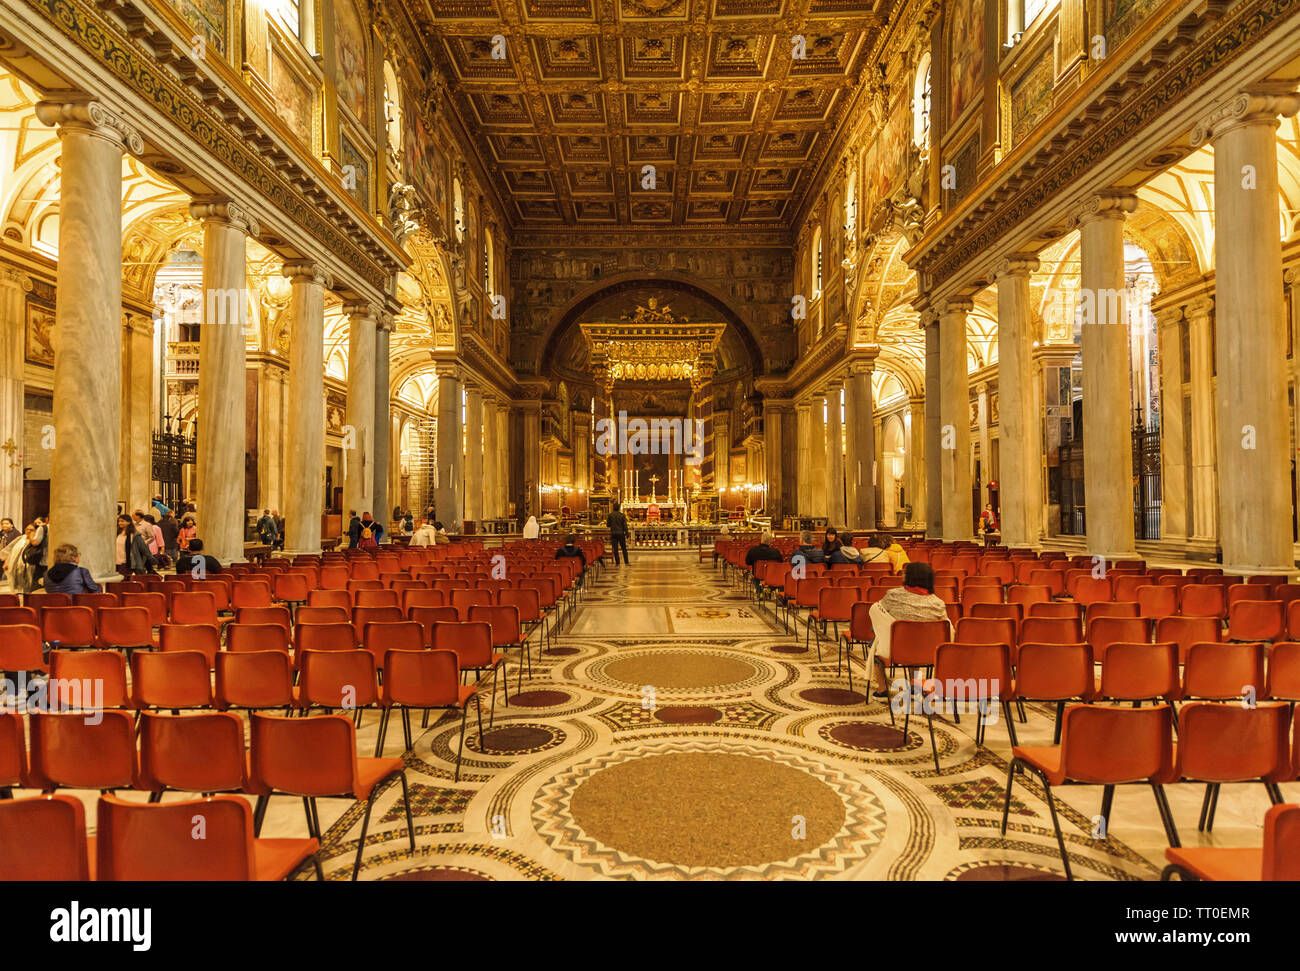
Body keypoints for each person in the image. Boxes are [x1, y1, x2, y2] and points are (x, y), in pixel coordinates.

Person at [867, 562, 952, 698]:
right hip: (927, 651)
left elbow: (878, 615)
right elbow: (946, 627)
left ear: (910, 577)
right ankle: (914, 685)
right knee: (917, 639)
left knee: (876, 642)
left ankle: (882, 689)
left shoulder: (893, 596)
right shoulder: (938, 603)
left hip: (896, 649)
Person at [5, 524, 35, 593]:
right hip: (15, 565)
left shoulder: (35, 540)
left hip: (29, 566)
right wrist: (7, 561)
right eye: (27, 529)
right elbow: (10, 549)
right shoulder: (21, 538)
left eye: (31, 530)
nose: (29, 531)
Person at [27, 515, 48, 584]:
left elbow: (35, 543)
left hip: (43, 560)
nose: (37, 525)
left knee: (37, 584)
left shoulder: (42, 528)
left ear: (46, 520)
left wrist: (30, 536)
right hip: (55, 561)